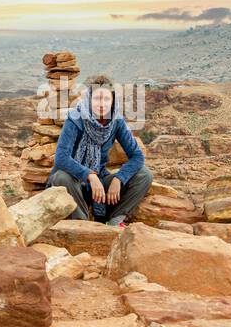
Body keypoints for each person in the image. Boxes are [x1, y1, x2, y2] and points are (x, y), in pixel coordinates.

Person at [47, 75, 152, 227]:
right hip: (74, 184)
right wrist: (89, 175)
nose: (101, 104)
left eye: (106, 99)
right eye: (97, 98)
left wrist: (119, 178)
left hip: (100, 185)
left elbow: (137, 156)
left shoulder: (116, 121)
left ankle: (115, 221)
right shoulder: (75, 118)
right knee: (62, 177)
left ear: (113, 100)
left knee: (144, 174)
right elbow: (61, 158)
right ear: (89, 99)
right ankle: (82, 225)